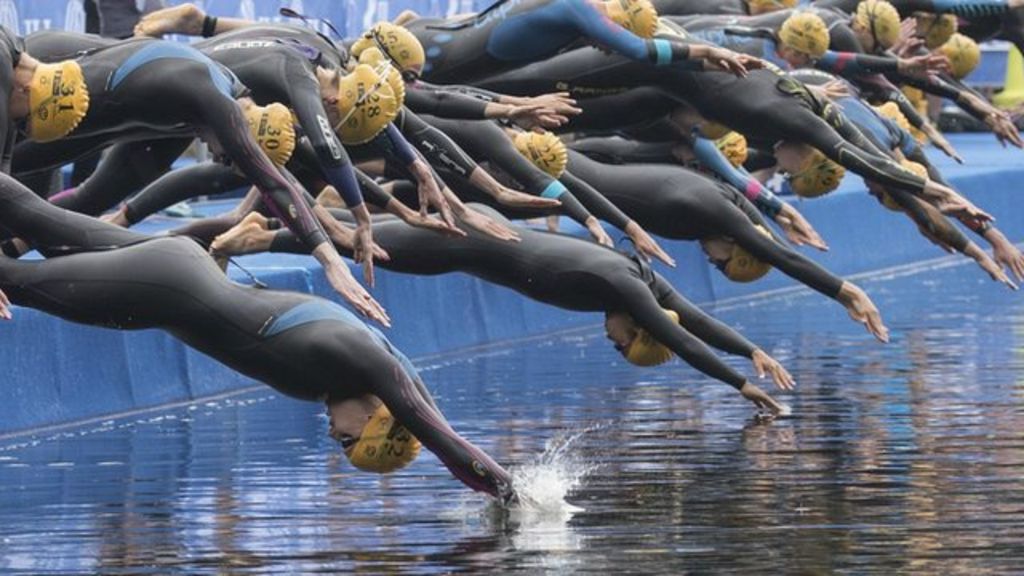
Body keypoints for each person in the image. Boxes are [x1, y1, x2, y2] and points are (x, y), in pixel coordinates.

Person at [0, 171, 517, 504]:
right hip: (157, 288)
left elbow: (429, 415)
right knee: (13, 277)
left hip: (177, 269)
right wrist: (514, 496)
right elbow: (443, 440)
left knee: (35, 221)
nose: (332, 433)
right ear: (375, 418)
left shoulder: (377, 361)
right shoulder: (362, 362)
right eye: (346, 440)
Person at [211, 204, 889, 415]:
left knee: (370, 237)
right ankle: (264, 231)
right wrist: (743, 384)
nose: (614, 342)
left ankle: (274, 223)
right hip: (470, 239)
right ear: (636, 329)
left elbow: (693, 322)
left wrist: (754, 349)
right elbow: (684, 340)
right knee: (365, 244)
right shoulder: (630, 294)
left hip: (474, 241)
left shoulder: (642, 281)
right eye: (626, 346)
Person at [7, 36, 387, 323]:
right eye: (225, 156)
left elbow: (278, 176)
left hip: (75, 118)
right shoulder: (216, 101)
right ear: (241, 132)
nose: (216, 157)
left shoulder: (226, 91)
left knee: (40, 208)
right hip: (41, 92)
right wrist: (332, 261)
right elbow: (274, 180)